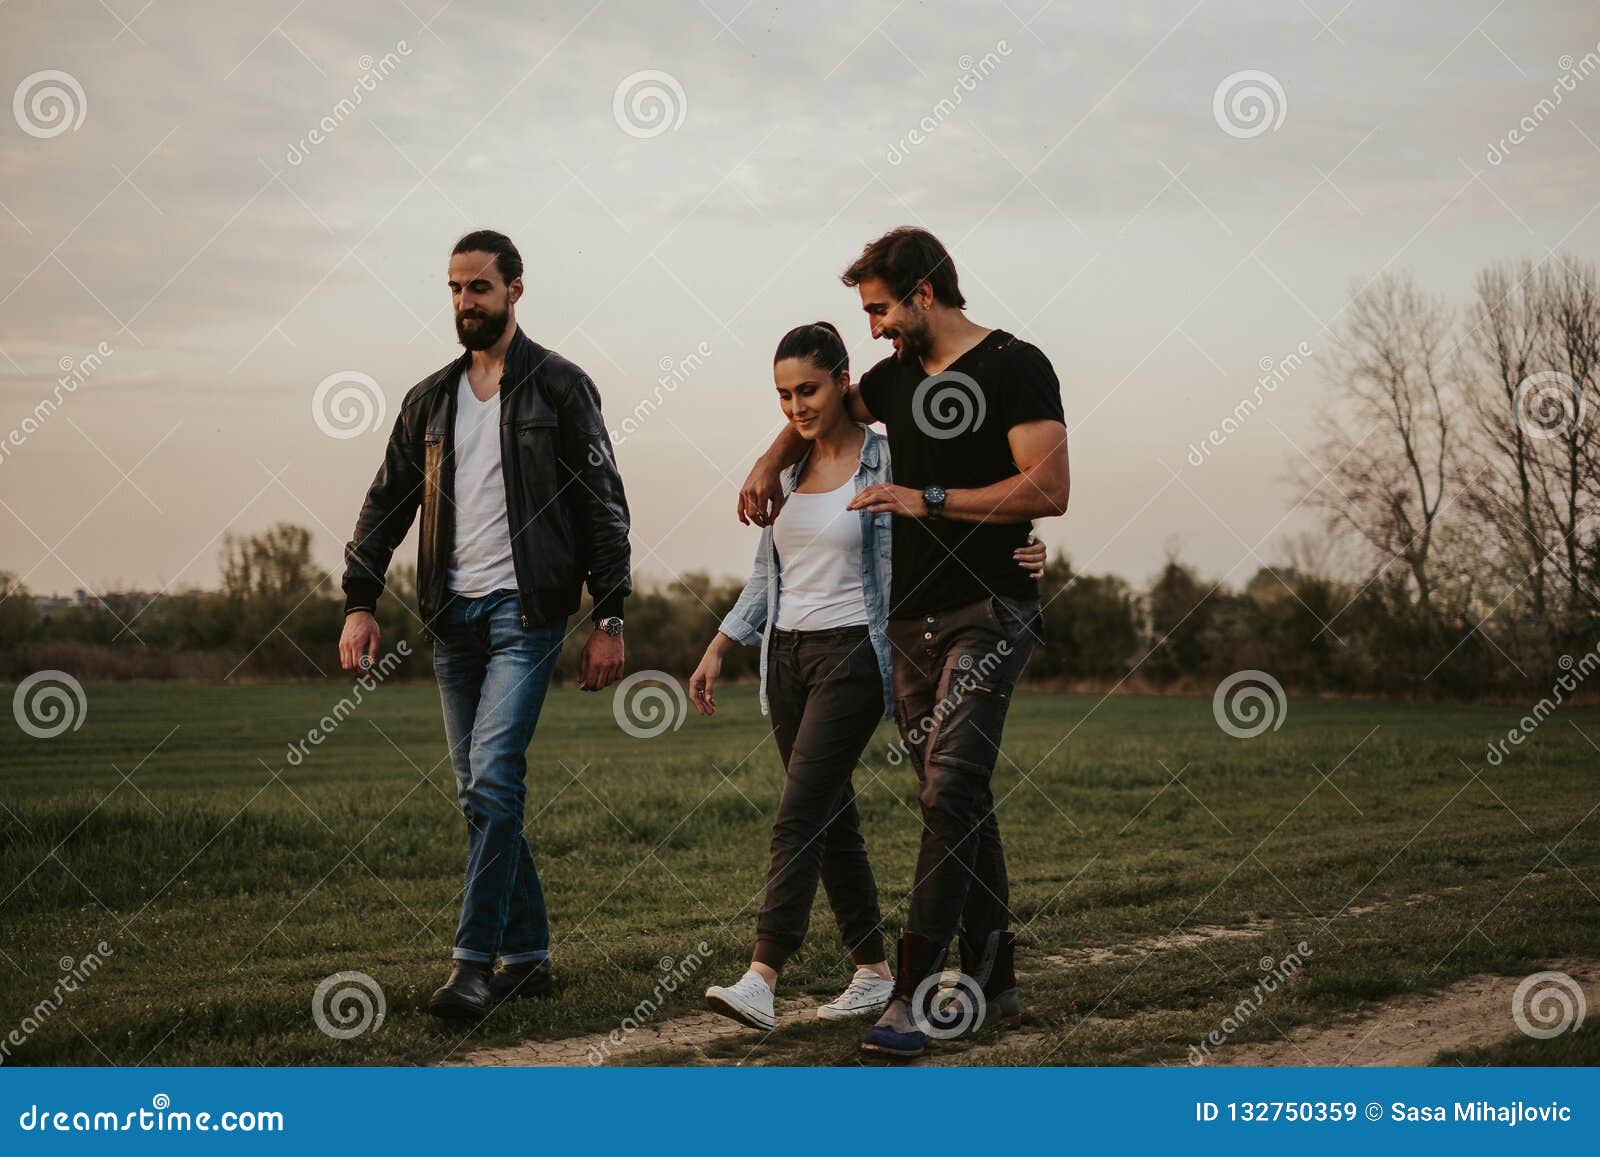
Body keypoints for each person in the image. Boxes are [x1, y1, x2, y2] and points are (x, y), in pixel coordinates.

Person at [738, 228, 1071, 1058]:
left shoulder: (1015, 363)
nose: (875, 327)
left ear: (924, 293)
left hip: (989, 611)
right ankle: (995, 979)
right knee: (960, 798)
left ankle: (917, 996)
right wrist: (767, 457)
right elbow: (820, 416)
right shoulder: (890, 379)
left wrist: (929, 496)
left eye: (881, 309)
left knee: (947, 792)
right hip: (909, 625)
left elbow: (1048, 487)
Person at [338, 229, 631, 1020]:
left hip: (526, 612)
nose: (466, 302)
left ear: (516, 290)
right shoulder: (429, 399)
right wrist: (360, 600)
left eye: (480, 288)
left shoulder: (561, 387)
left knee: (495, 777)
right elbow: (386, 502)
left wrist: (610, 613)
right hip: (451, 618)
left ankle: (472, 965)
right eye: (455, 289)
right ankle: (529, 954)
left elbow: (605, 506)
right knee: (478, 789)